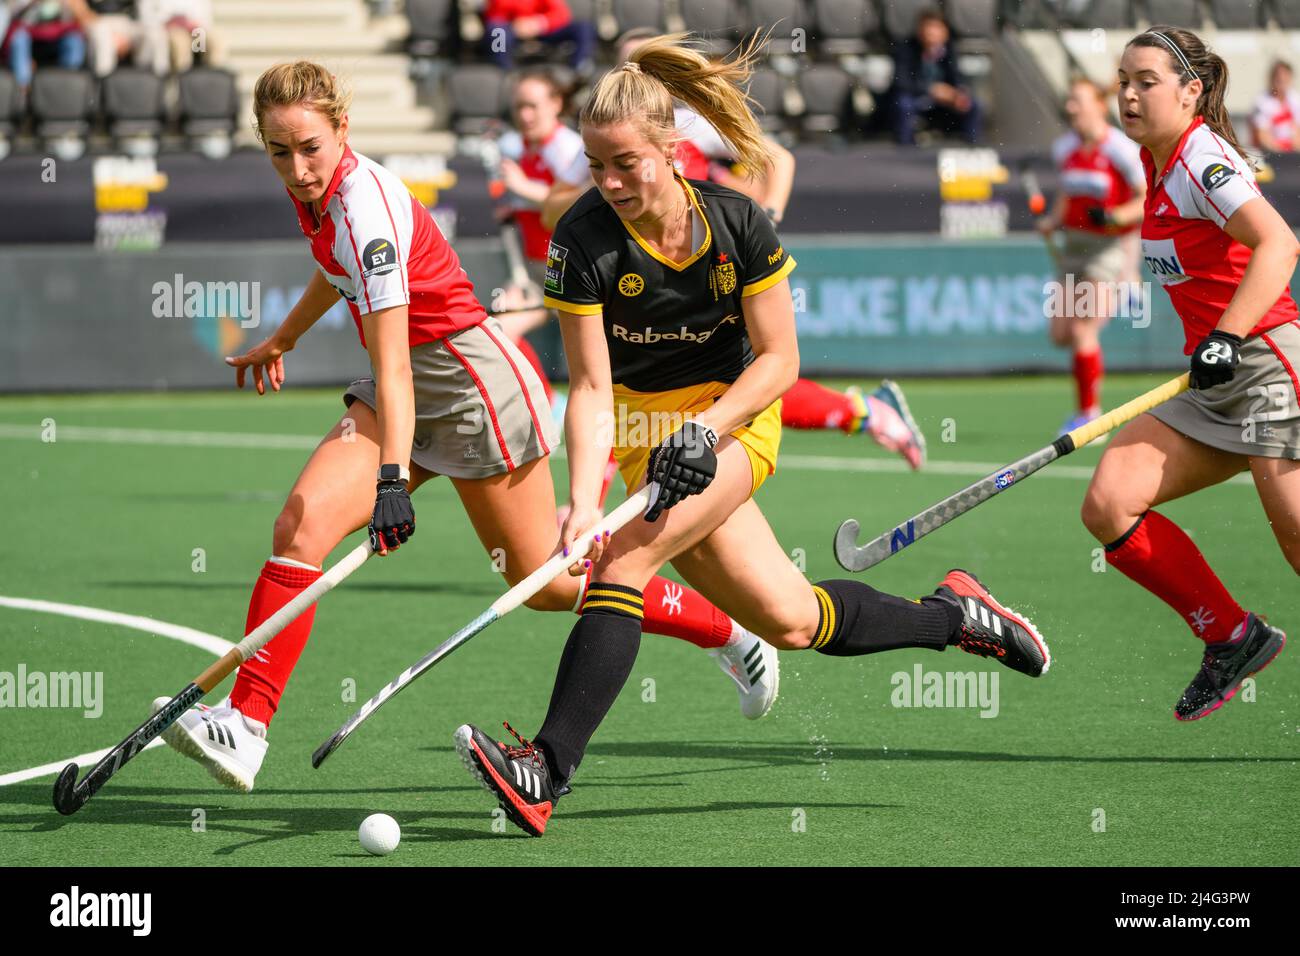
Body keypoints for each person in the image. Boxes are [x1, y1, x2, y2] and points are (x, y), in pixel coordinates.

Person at [452, 34, 1051, 837]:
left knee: (628, 559)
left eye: (626, 163)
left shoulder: (738, 222)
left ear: (672, 148)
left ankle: (546, 769)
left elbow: (780, 362)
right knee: (793, 621)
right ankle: (957, 617)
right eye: (597, 167)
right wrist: (578, 503)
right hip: (639, 425)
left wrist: (704, 429)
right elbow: (592, 387)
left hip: (734, 415)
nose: (611, 183)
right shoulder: (581, 240)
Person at [150, 61, 782, 794]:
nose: (297, 168)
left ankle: (731, 634)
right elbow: (334, 268)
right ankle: (247, 726)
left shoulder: (367, 206)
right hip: (408, 389)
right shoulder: (319, 198)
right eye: (279, 152)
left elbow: (390, 359)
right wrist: (286, 337)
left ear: (342, 131)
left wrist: (393, 480)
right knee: (301, 523)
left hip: (473, 391)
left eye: (311, 148)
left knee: (546, 581)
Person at [539, 31, 929, 470]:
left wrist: (769, 217)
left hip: (704, 263)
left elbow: (778, 160)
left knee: (737, 367)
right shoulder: (601, 145)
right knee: (637, 384)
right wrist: (588, 211)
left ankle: (863, 414)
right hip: (635, 270)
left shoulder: (690, 129)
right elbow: (552, 209)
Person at [1082, 27, 1296, 722]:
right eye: (1123, 81)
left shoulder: (1202, 156)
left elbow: (1279, 243)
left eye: (1146, 81)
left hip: (1263, 360)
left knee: (1295, 536)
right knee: (1110, 503)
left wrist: (1227, 337)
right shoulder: (1155, 161)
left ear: (1190, 90)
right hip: (1213, 380)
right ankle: (1231, 636)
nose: (1130, 94)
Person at [1037, 77, 1146, 433]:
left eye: (1078, 101)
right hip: (1073, 247)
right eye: (1069, 101)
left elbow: (1147, 198)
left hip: (1108, 248)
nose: (1071, 108)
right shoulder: (1063, 148)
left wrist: (1116, 216)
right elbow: (1068, 194)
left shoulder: (1120, 149)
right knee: (1060, 334)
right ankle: (1119, 295)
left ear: (1099, 106)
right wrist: (1052, 221)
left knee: (1084, 328)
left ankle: (1088, 416)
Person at [889, 8, 980, 146]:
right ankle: (905, 147)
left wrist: (958, 93)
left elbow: (957, 77)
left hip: (944, 101)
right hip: (916, 96)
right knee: (903, 104)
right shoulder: (906, 49)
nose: (930, 32)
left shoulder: (949, 50)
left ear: (945, 32)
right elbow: (901, 82)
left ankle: (972, 147)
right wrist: (932, 90)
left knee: (972, 104)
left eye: (936, 28)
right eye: (927, 27)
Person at [481, 0, 594, 75]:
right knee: (496, 31)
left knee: (584, 27)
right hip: (513, 31)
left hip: (544, 31)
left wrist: (539, 23)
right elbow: (493, 17)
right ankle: (503, 70)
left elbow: (562, 14)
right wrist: (517, 26)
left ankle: (580, 67)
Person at [1, 1, 87, 95]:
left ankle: (68, 88)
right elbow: (12, 14)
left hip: (58, 38)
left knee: (74, 40)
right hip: (29, 36)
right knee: (19, 38)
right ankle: (22, 91)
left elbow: (82, 17)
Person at [1250, 60, 1300, 154]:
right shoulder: (1261, 102)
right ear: (1272, 79)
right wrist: (1282, 150)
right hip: (1269, 155)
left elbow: (1298, 134)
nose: (1282, 81)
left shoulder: (1295, 100)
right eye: (1278, 79)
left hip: (1293, 154)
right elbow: (1262, 137)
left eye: (1285, 78)